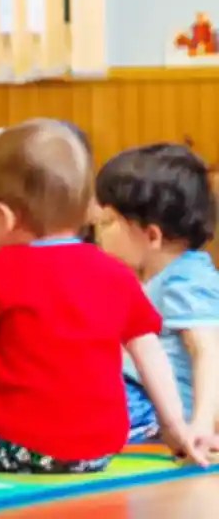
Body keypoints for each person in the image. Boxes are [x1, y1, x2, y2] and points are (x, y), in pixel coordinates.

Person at [0, 120, 209, 472]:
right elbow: (149, 352)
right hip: (99, 449)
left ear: (4, 216)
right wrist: (173, 427)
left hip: (17, 444)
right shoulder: (116, 274)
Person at [94, 143, 219, 446]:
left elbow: (208, 350)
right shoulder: (146, 278)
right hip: (138, 397)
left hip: (150, 406)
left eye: (108, 222)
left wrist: (201, 422)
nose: (97, 231)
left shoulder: (186, 279)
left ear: (152, 235)